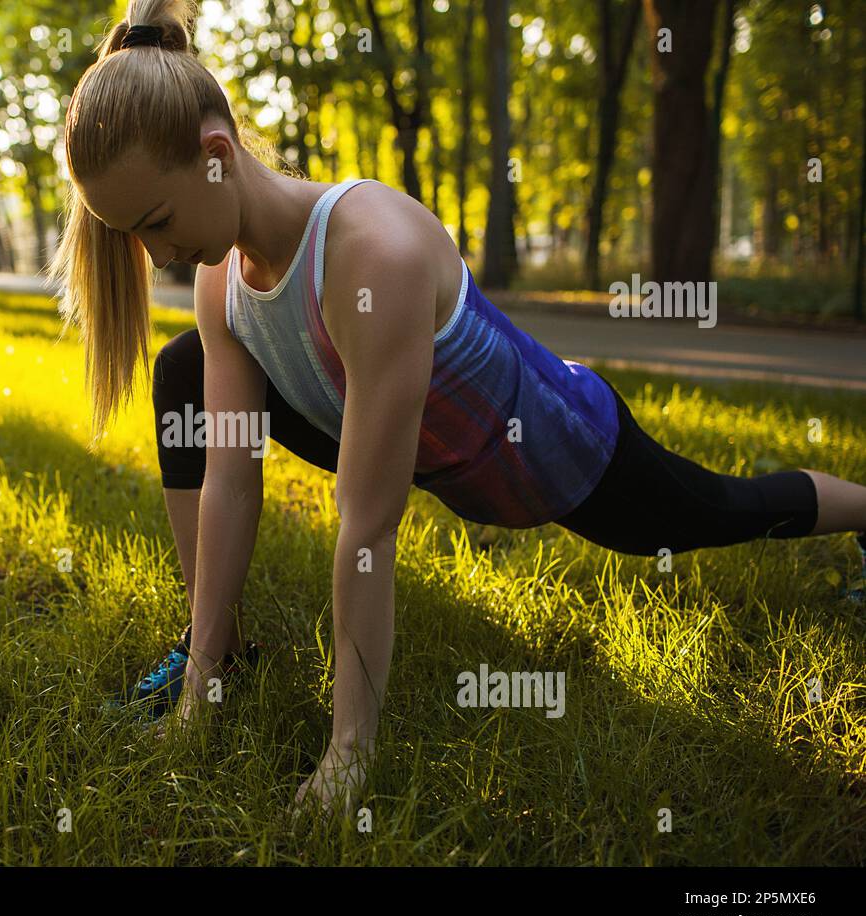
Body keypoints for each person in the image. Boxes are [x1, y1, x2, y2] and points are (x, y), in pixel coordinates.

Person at [47, 0, 866, 815]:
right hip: (394, 427)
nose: (156, 256)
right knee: (186, 368)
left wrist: (347, 756)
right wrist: (198, 700)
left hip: (548, 449)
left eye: (157, 222)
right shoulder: (221, 280)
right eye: (134, 237)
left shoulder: (374, 251)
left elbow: (367, 528)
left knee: (714, 510)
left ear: (217, 153)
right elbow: (230, 477)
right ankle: (213, 654)